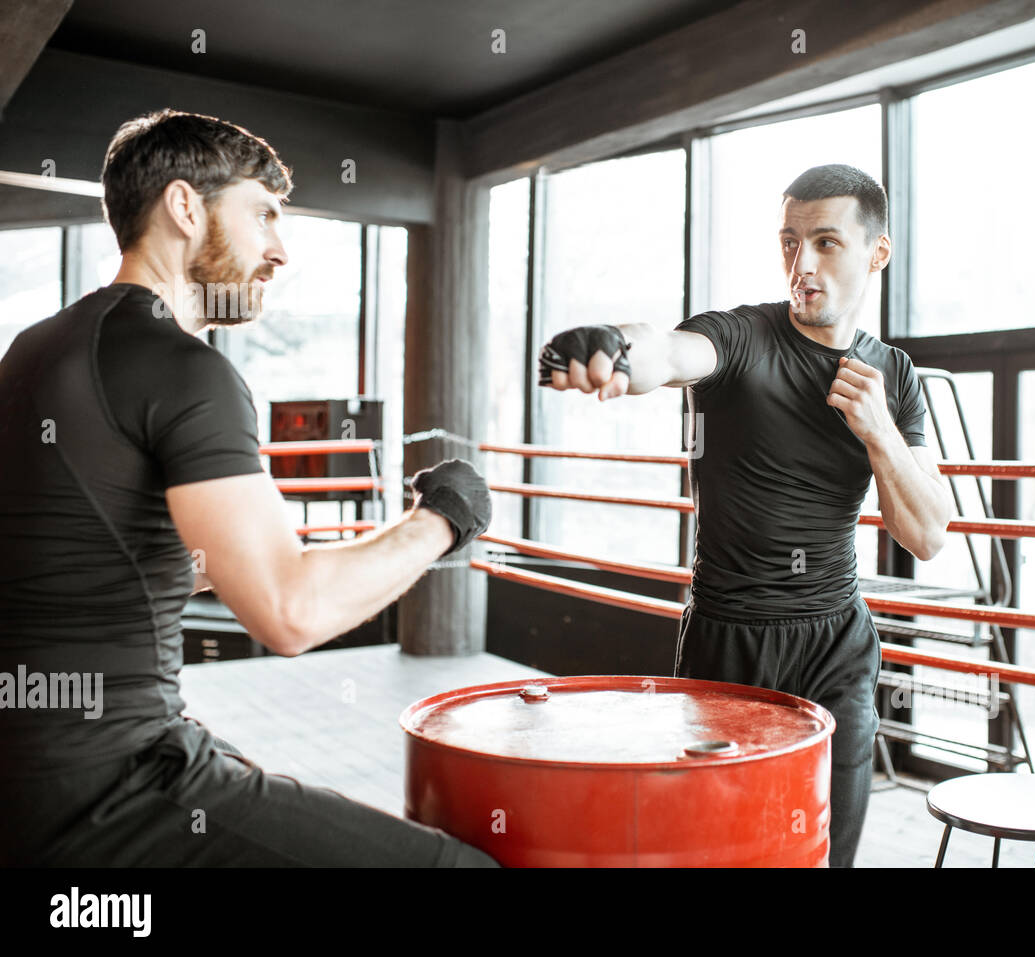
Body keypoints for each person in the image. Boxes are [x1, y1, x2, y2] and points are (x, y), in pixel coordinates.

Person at [0, 109, 495, 866]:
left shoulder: (35, 346)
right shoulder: (184, 368)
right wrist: (446, 515)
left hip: (33, 776)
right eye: (262, 213)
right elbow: (291, 612)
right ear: (185, 206)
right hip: (112, 792)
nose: (280, 249)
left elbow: (88, 545)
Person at [537, 164, 954, 867]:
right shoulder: (742, 339)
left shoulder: (894, 375)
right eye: (790, 242)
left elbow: (927, 532)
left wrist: (879, 429)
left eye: (826, 243)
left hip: (837, 646)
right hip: (732, 642)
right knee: (719, 854)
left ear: (876, 254)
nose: (803, 265)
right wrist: (612, 343)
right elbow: (669, 350)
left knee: (827, 853)